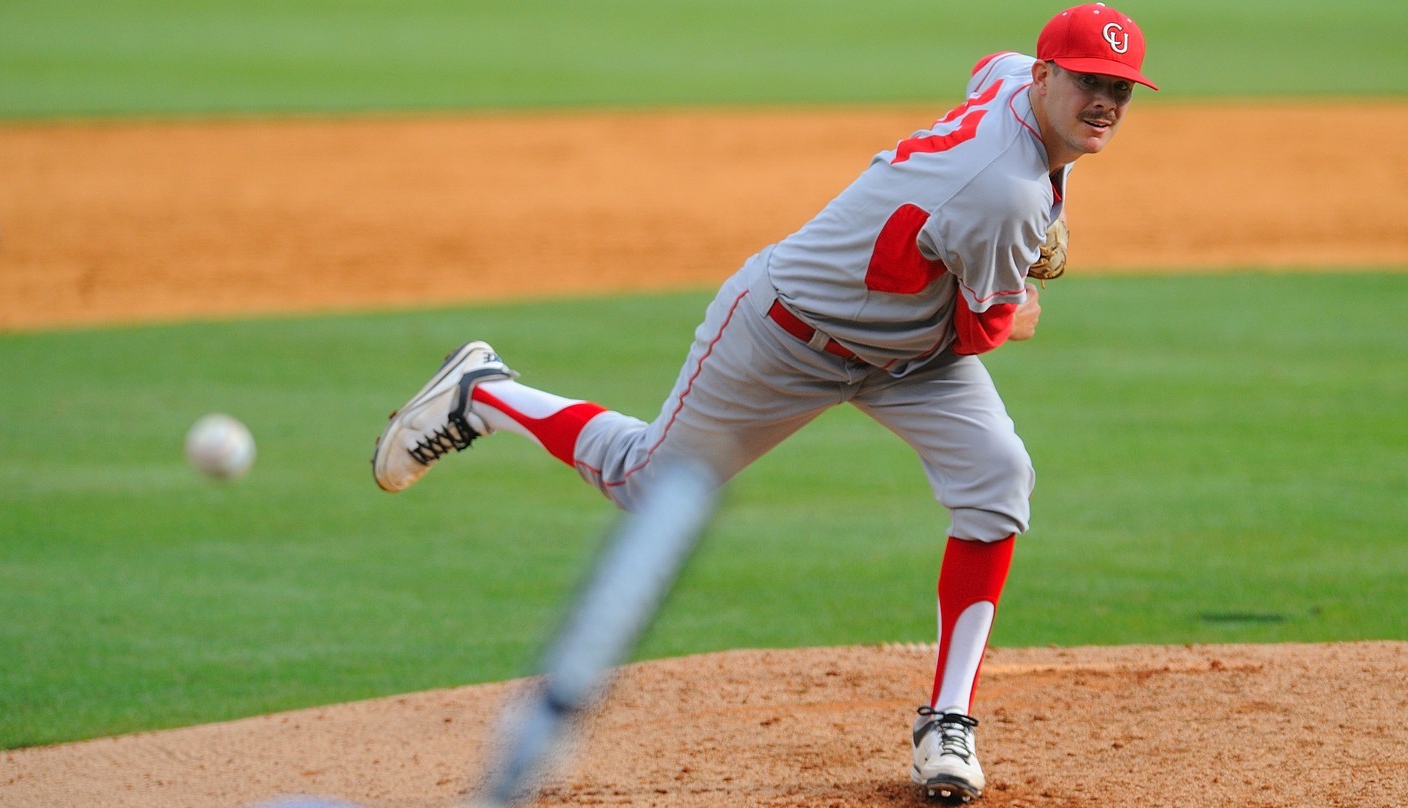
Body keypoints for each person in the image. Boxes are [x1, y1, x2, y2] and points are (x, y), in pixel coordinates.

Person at [372, 3, 1156, 802]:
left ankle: (947, 721)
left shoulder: (1008, 85)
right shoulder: (1007, 195)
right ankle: (486, 393)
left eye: (1121, 90)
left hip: (907, 351)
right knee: (644, 483)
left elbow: (986, 66)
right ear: (1046, 75)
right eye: (1089, 81)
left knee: (997, 476)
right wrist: (1027, 295)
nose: (1105, 102)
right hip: (785, 336)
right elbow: (990, 326)